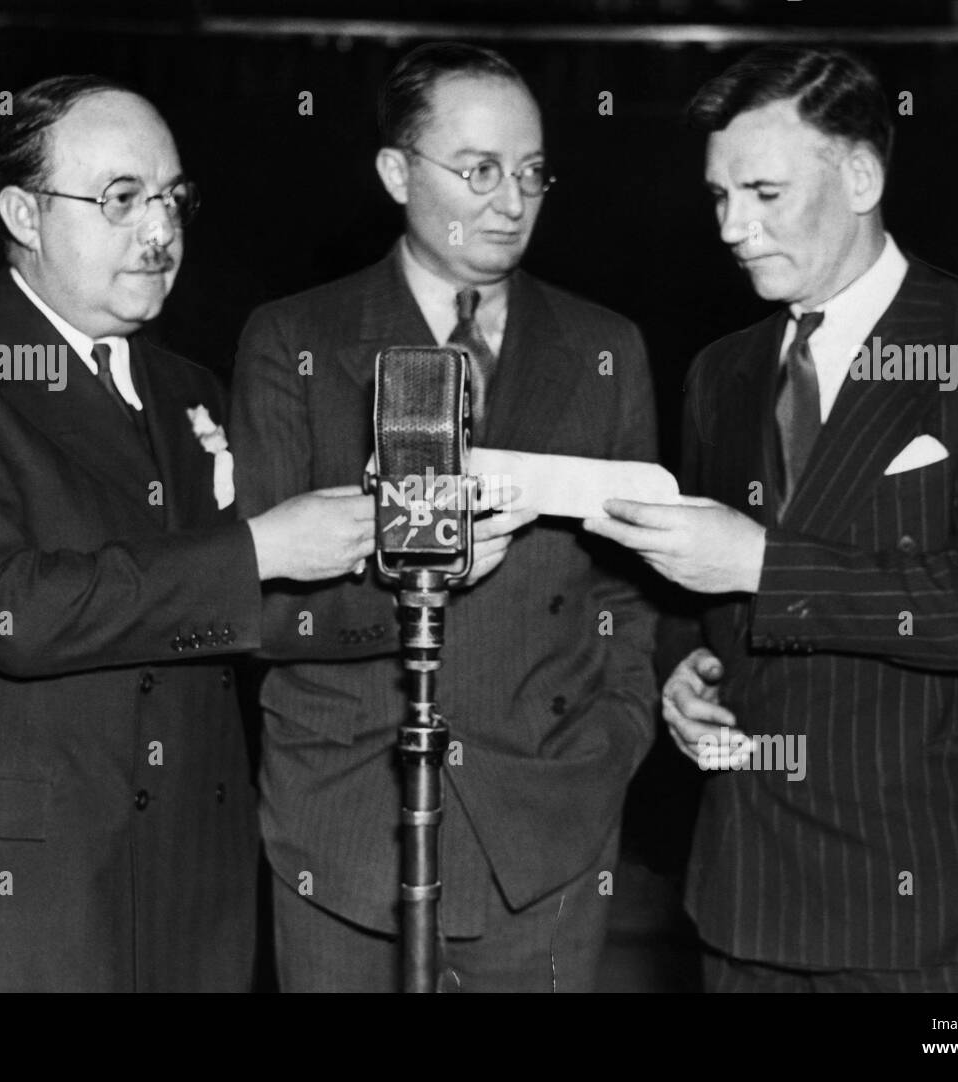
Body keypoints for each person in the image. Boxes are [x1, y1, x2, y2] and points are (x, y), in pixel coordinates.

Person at [0, 74, 380, 992]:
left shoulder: (193, 389)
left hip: (191, 893)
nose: (161, 232)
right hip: (6, 904)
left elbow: (241, 623)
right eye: (122, 199)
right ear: (24, 212)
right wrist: (262, 547)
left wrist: (405, 553)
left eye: (173, 199)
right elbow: (15, 609)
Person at [585, 46, 958, 992]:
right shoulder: (720, 372)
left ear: (860, 175)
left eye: (764, 193)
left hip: (928, 910)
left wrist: (762, 565)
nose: (734, 227)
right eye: (720, 195)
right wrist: (681, 666)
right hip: (745, 896)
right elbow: (702, 593)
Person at [231, 42, 660, 992]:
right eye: (478, 171)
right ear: (395, 172)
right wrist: (409, 584)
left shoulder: (607, 349)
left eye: (532, 172)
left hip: (547, 833)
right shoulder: (291, 340)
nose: (511, 201)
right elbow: (252, 607)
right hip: (343, 829)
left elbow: (630, 597)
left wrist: (611, 751)